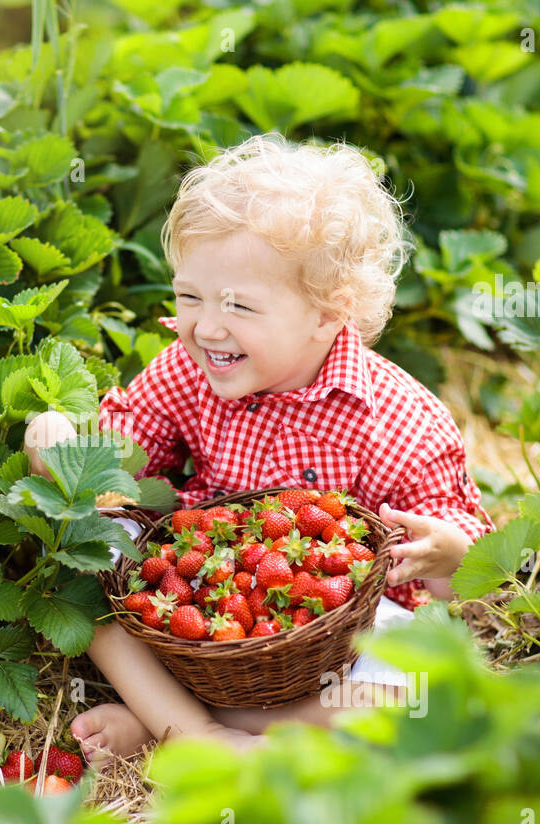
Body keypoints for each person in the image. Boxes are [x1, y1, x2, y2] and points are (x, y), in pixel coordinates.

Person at [24, 133, 494, 764]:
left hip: (333, 647)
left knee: (426, 693)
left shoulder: (399, 421)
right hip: (190, 608)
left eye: (239, 306)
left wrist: (449, 555)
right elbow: (112, 469)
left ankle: (164, 718)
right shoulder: (188, 369)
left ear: (330, 313)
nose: (206, 326)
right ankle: (196, 732)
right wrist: (58, 446)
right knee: (81, 548)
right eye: (189, 296)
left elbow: (479, 584)